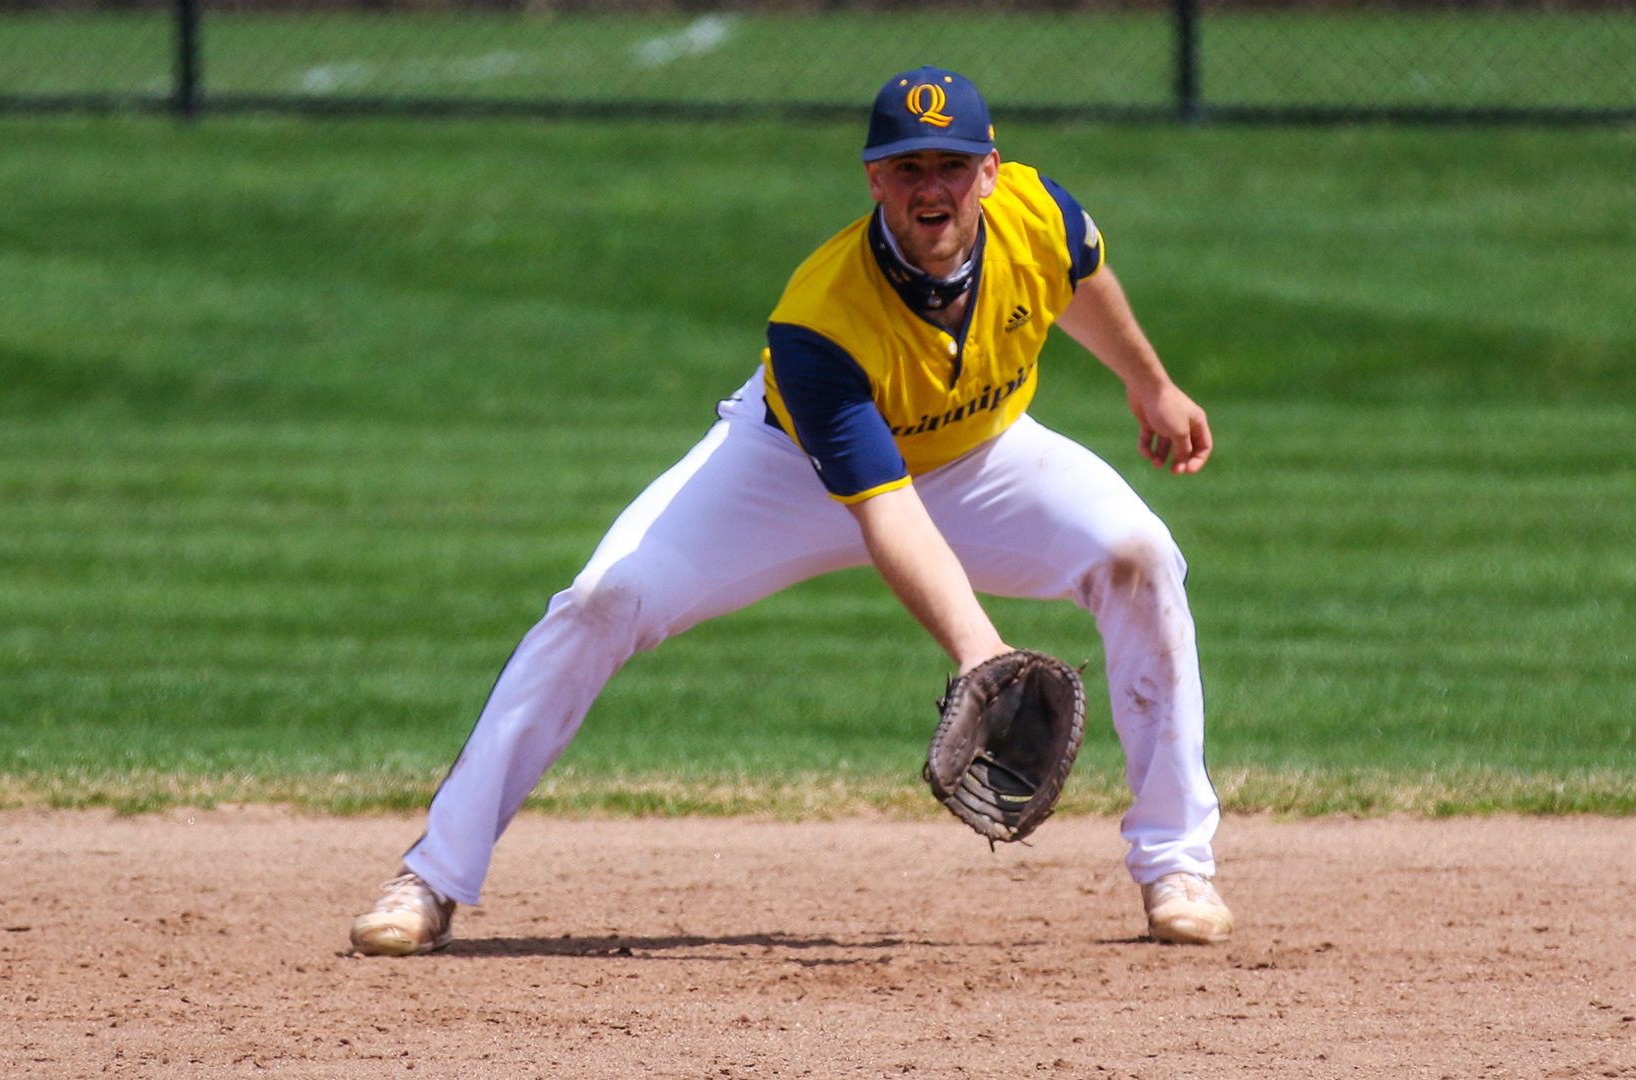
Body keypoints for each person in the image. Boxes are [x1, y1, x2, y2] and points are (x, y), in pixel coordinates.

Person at [350, 66, 1233, 954]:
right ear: (874, 179)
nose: (933, 187)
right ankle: (431, 878)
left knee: (1140, 555)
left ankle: (1175, 863)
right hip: (784, 471)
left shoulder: (1039, 211)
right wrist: (982, 653)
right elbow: (886, 510)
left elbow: (1078, 275)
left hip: (985, 454)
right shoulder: (821, 318)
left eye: (952, 165)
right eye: (908, 167)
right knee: (599, 603)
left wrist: (1150, 385)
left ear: (991, 171)